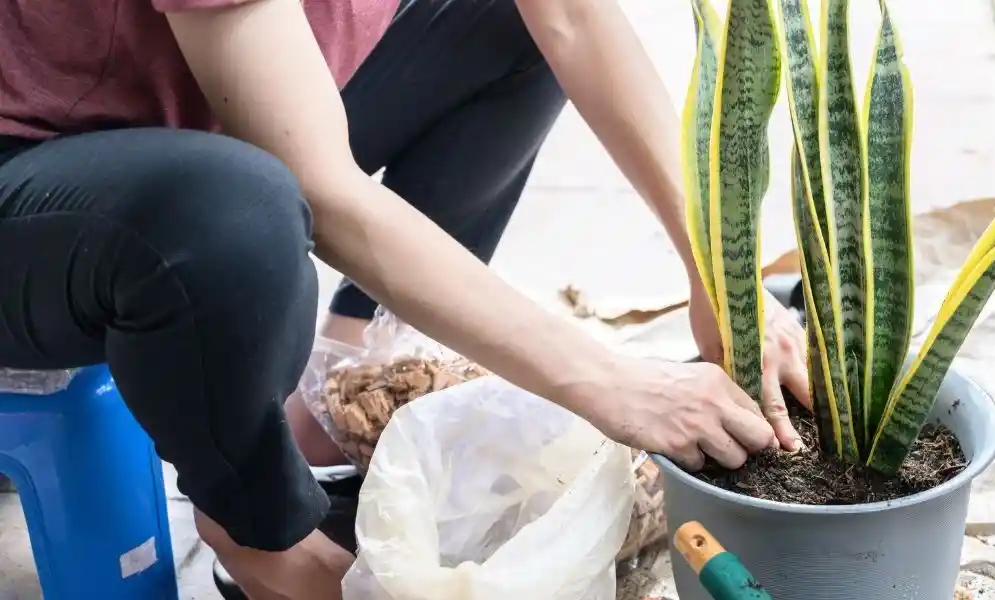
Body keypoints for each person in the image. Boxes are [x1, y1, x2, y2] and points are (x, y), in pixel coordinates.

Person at [0, 0, 811, 598]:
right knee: (235, 215)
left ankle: (337, 380)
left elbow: (571, 18)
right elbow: (326, 190)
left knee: (508, 23)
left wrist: (721, 278)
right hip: (42, 176)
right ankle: (257, 532)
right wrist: (613, 383)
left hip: (213, 96)